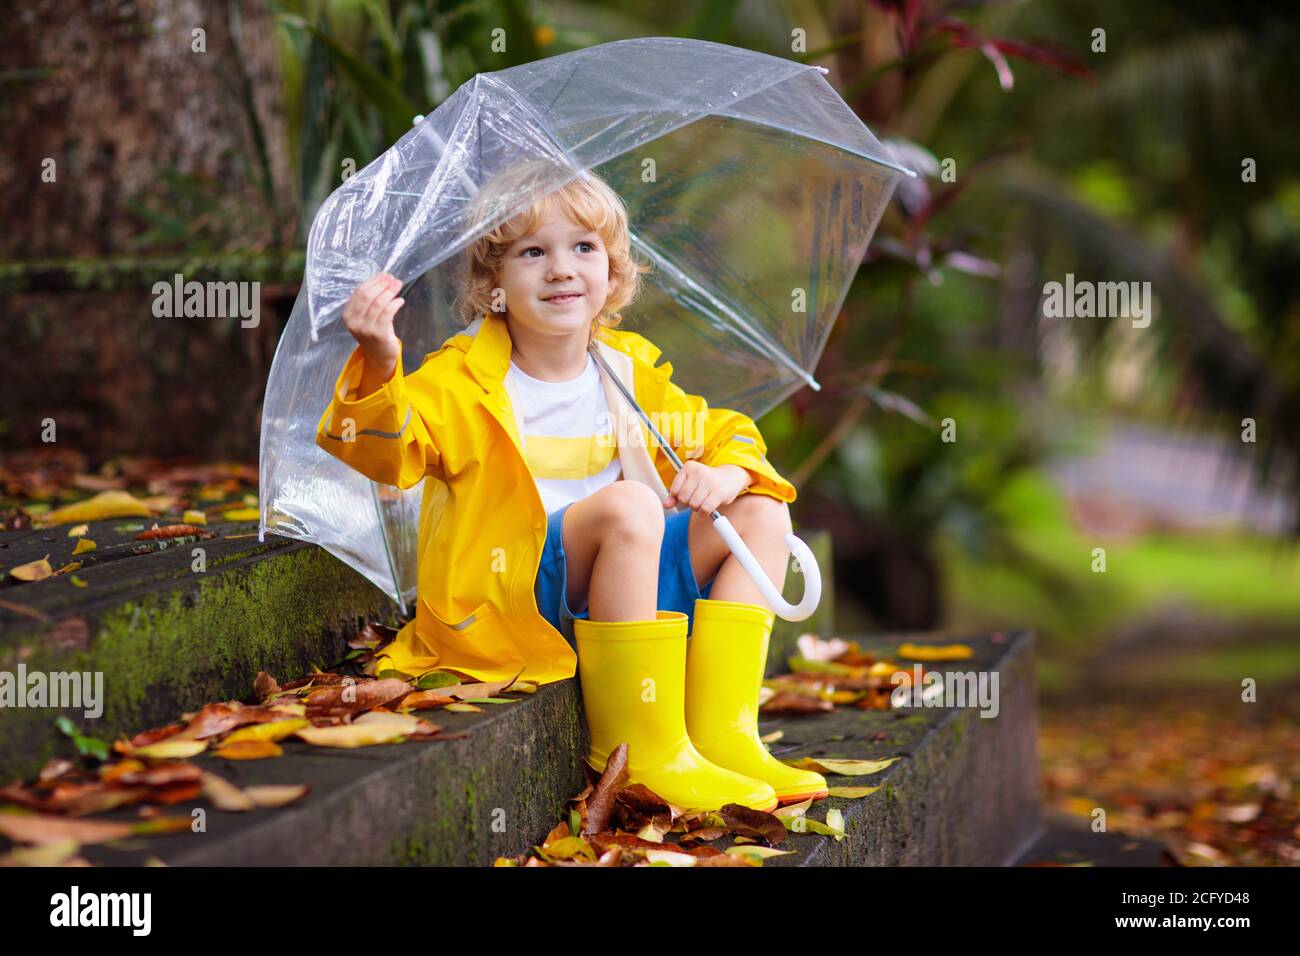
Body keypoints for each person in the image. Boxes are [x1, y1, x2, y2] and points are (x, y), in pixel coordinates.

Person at [315, 159, 827, 810]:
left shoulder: (626, 371)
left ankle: (722, 736)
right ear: (492, 282)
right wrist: (381, 364)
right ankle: (640, 749)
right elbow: (386, 451)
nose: (561, 268)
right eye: (532, 252)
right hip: (518, 591)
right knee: (631, 505)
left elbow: (723, 433)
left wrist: (720, 473)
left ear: (611, 272)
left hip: (625, 581)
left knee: (758, 509)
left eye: (583, 248)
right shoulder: (462, 382)